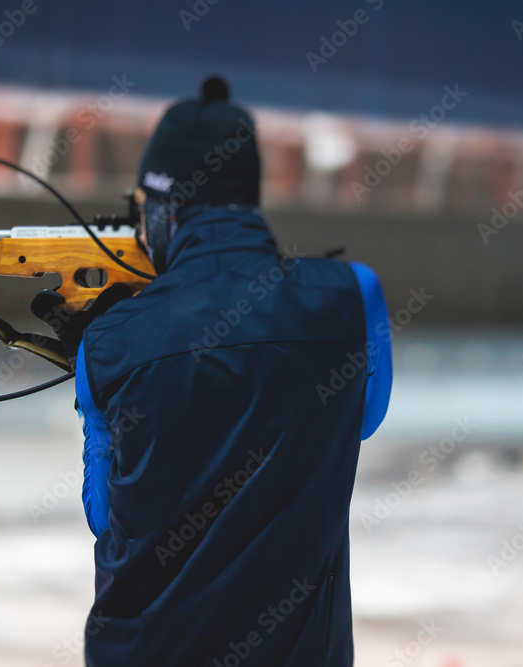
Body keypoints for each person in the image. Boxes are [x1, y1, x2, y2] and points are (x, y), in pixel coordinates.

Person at [32, 76, 391, 666]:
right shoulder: (353, 297)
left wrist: (94, 363)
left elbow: (107, 517)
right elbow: (362, 418)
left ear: (167, 210)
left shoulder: (112, 344)